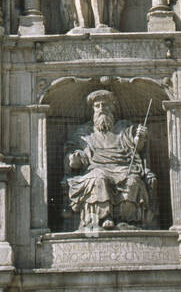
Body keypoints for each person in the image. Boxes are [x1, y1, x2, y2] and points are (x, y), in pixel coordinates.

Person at [65, 89, 156, 230]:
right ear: (93, 110)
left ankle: (126, 220)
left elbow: (137, 147)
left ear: (112, 107)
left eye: (105, 105)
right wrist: (73, 159)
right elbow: (75, 157)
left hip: (123, 168)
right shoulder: (84, 133)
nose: (101, 109)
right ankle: (104, 217)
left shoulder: (125, 128)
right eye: (97, 106)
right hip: (96, 169)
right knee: (99, 178)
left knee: (133, 180)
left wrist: (140, 138)